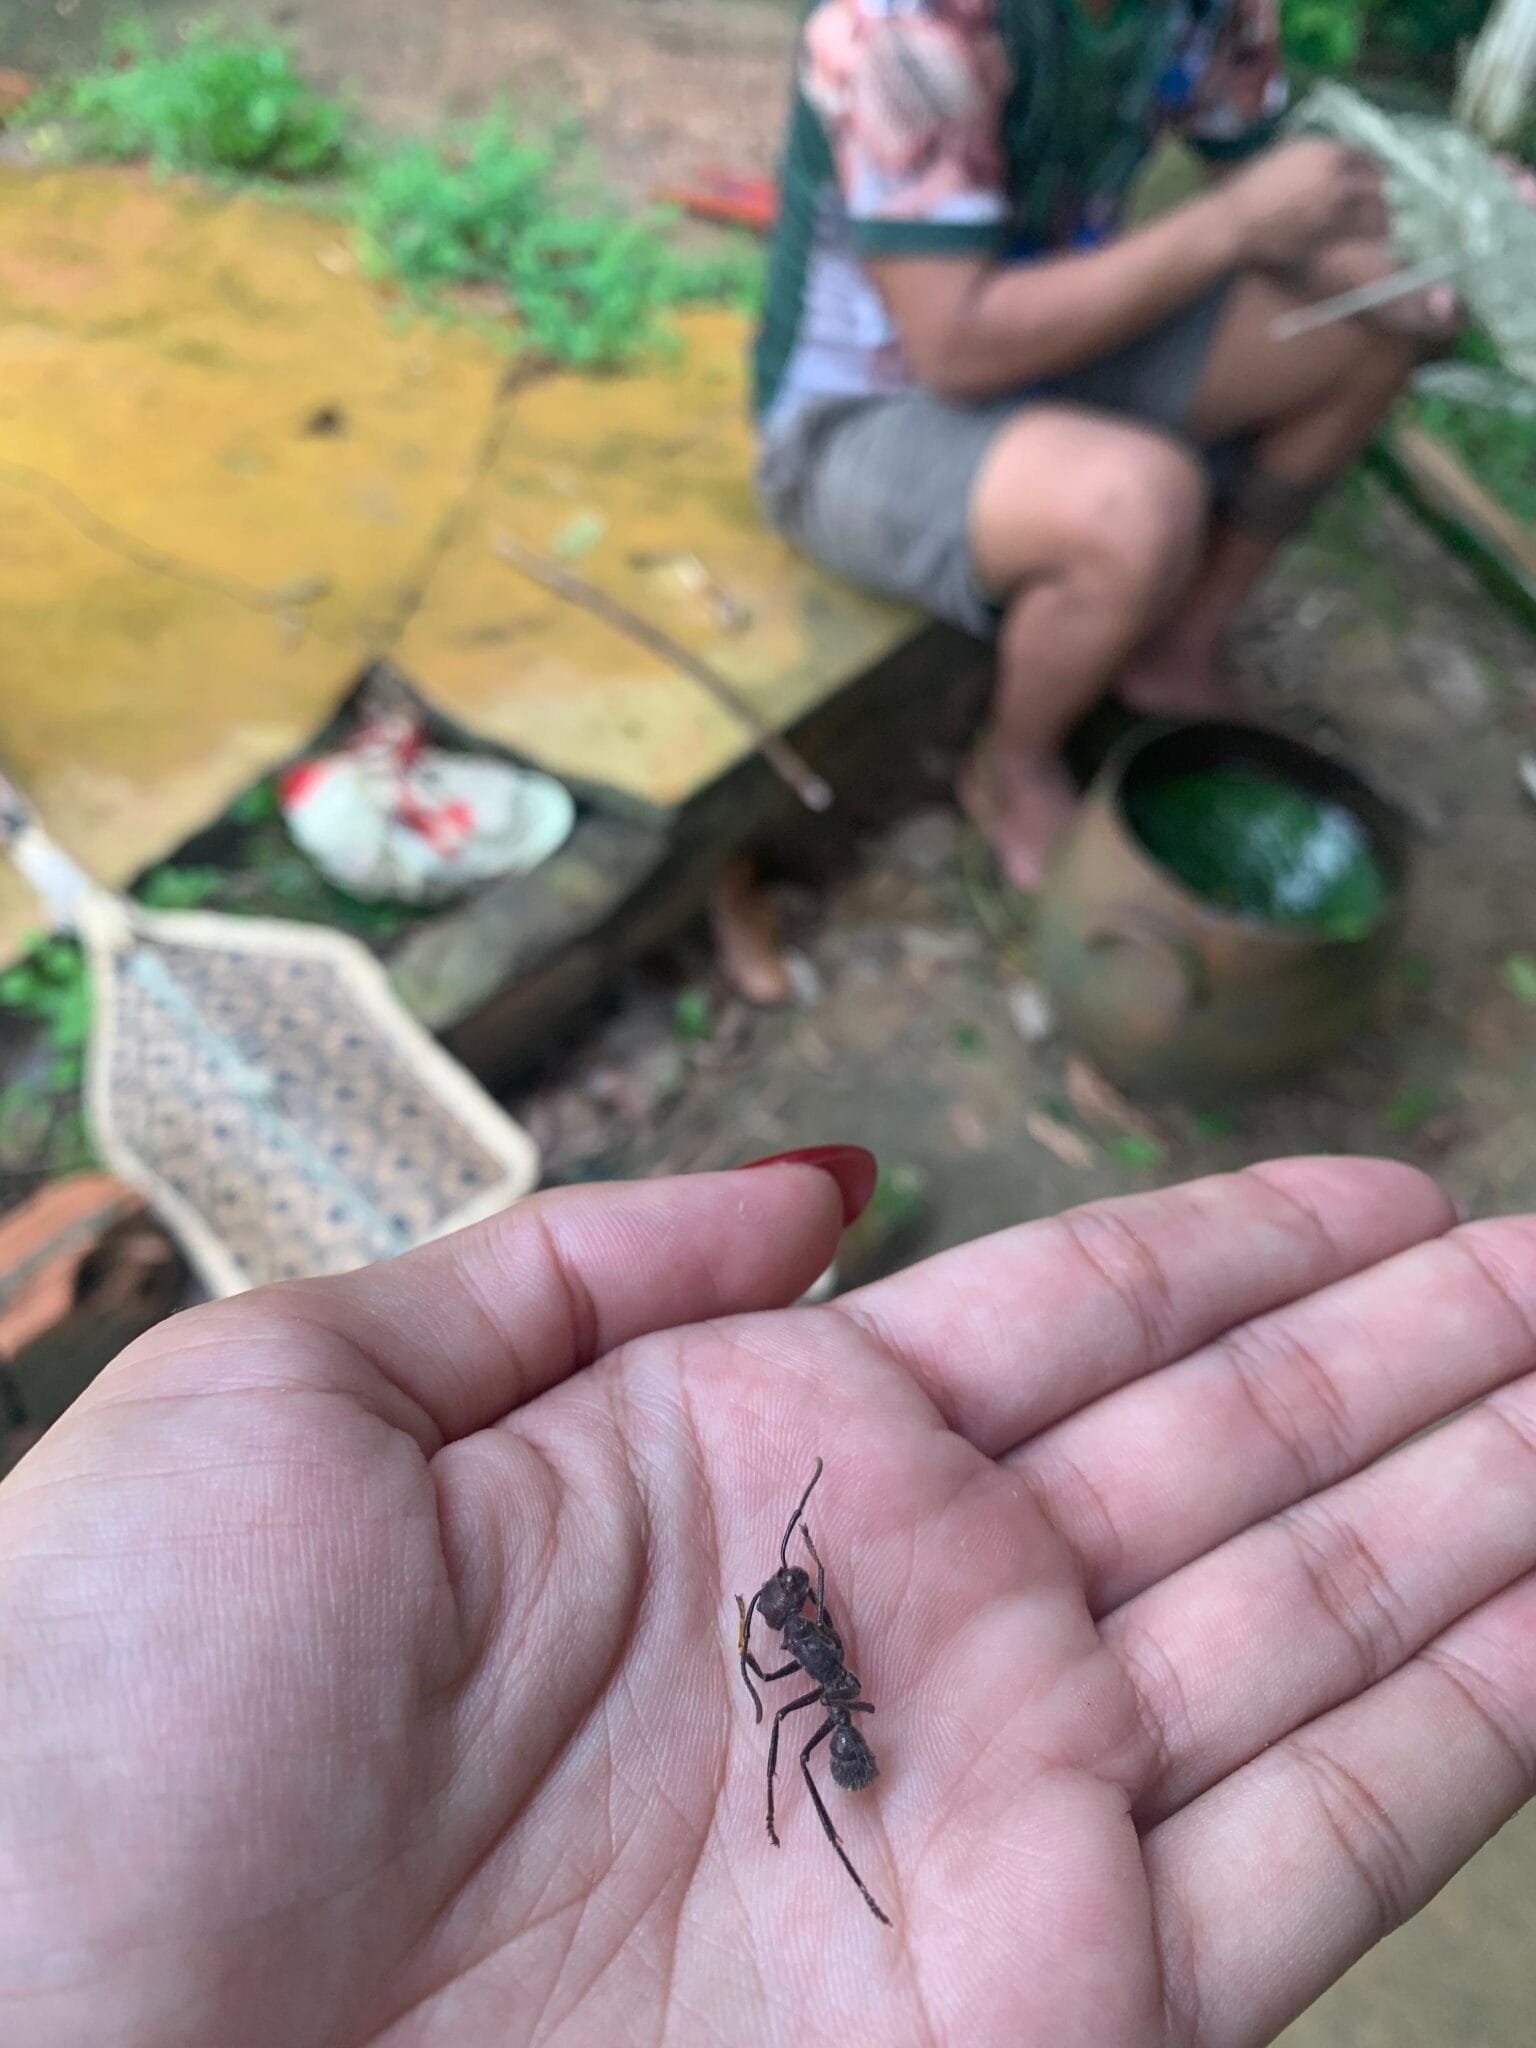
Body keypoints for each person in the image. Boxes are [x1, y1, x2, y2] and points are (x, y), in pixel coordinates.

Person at [4, 1143, 1536, 2044]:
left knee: (823, 1723)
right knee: (820, 1732)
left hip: (843, 1724)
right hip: (837, 1737)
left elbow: (798, 1666)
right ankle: (841, 1838)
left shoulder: (816, 1663)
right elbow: (789, 1681)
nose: (795, 1623)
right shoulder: (807, 1672)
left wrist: (789, 1628)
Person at [752, 0, 1464, 886]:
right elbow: (955, 349)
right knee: (1139, 504)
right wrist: (1231, 225)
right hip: (864, 414)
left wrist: (1437, 265)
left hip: (1059, 338)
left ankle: (1176, 653)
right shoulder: (908, 29)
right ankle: (1013, 769)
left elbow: (1283, 196)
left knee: (1363, 331)